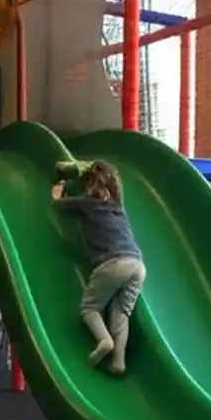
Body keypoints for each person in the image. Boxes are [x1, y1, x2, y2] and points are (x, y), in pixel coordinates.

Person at [52, 160, 145, 376]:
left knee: (90, 308)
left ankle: (104, 341)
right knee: (121, 312)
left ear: (89, 185)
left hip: (111, 263)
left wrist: (57, 190)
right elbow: (103, 168)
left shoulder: (86, 203)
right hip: (137, 265)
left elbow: (58, 205)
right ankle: (118, 362)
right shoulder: (118, 206)